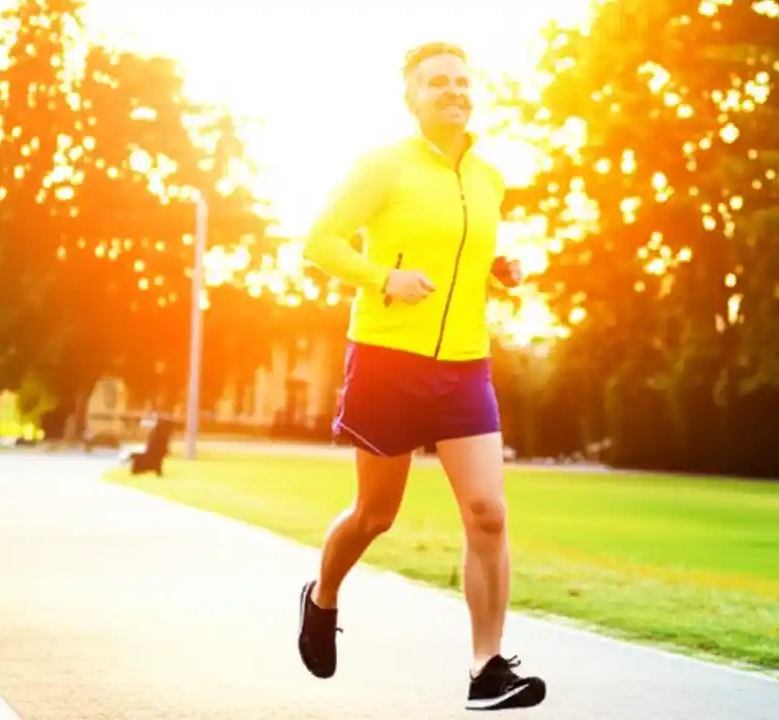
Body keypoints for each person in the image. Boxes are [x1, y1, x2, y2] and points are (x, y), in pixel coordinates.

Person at [294, 41, 546, 712]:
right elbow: (319, 242)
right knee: (375, 515)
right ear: (413, 98)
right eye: (437, 83)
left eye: (462, 81)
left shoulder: (490, 178)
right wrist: (386, 279)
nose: (454, 91)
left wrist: (499, 268)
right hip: (386, 361)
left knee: (488, 515)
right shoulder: (382, 166)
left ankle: (486, 667)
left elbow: (466, 247)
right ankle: (322, 599)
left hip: (465, 366)